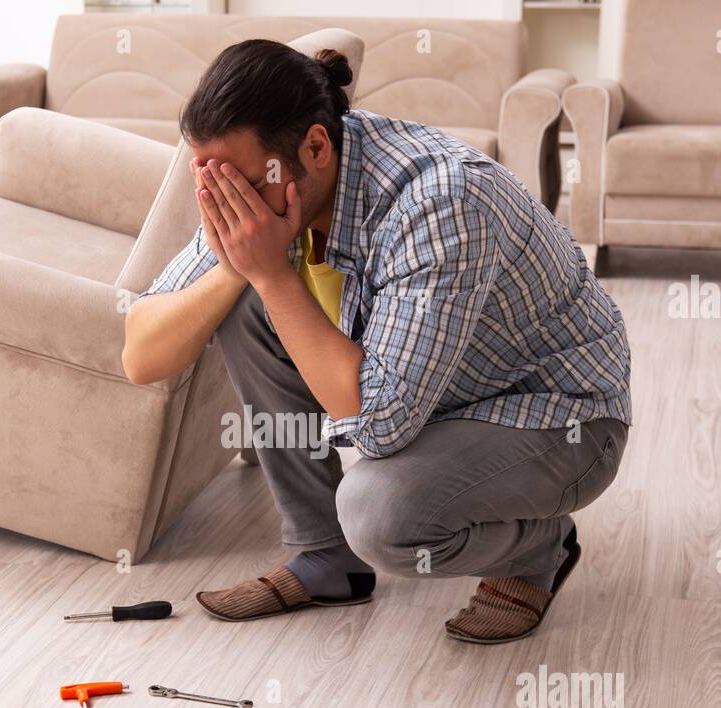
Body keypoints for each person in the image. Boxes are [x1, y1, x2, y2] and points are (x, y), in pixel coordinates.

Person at [122, 40, 631, 643]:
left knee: (381, 515)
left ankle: (537, 549)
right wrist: (241, 266)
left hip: (554, 418)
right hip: (422, 393)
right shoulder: (267, 186)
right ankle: (324, 557)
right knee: (236, 299)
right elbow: (142, 356)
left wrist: (272, 272)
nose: (229, 206)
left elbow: (380, 425)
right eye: (212, 186)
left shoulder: (442, 201)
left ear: (315, 147)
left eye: (242, 186)